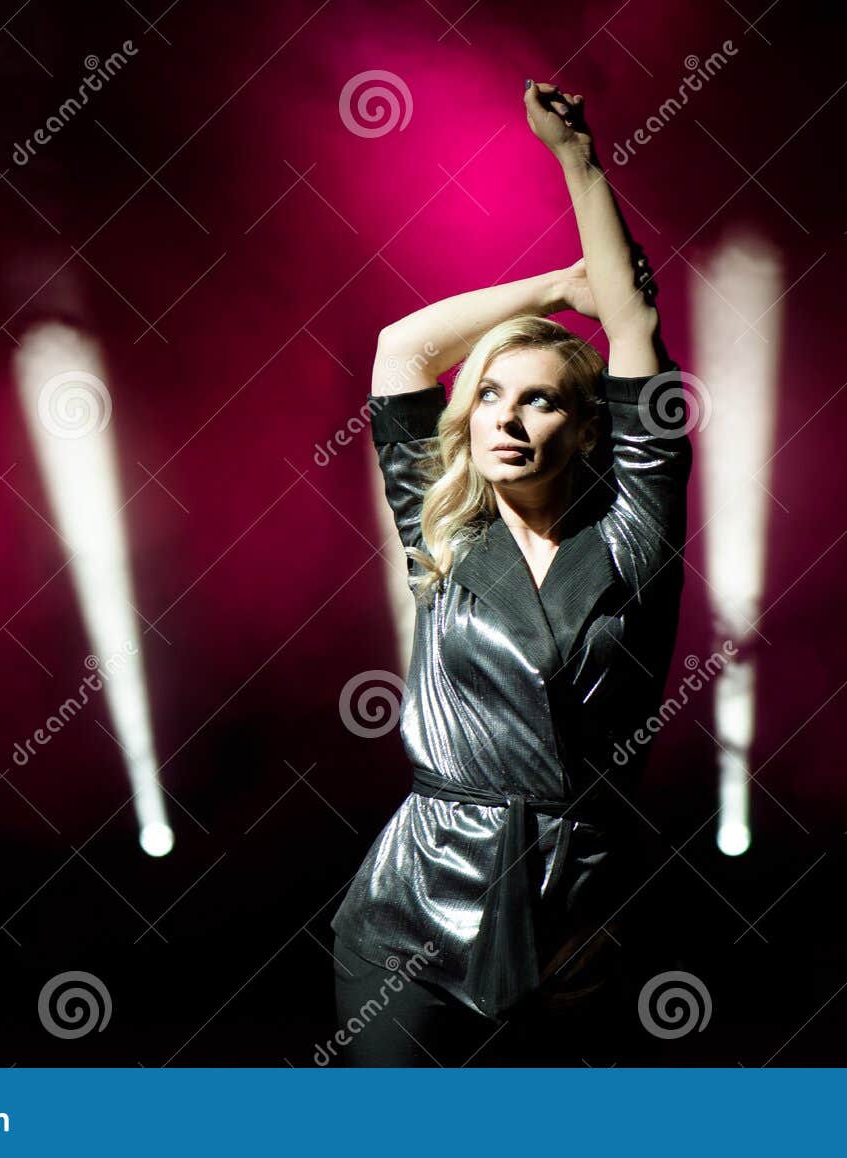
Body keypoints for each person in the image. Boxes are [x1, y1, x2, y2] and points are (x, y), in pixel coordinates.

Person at [328, 79, 694, 1065]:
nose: (506, 417)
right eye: (488, 394)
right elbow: (401, 347)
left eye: (539, 402)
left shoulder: (635, 537)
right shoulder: (439, 532)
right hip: (411, 916)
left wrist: (578, 163)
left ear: (587, 429)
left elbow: (633, 331)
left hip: (580, 912)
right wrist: (548, 290)